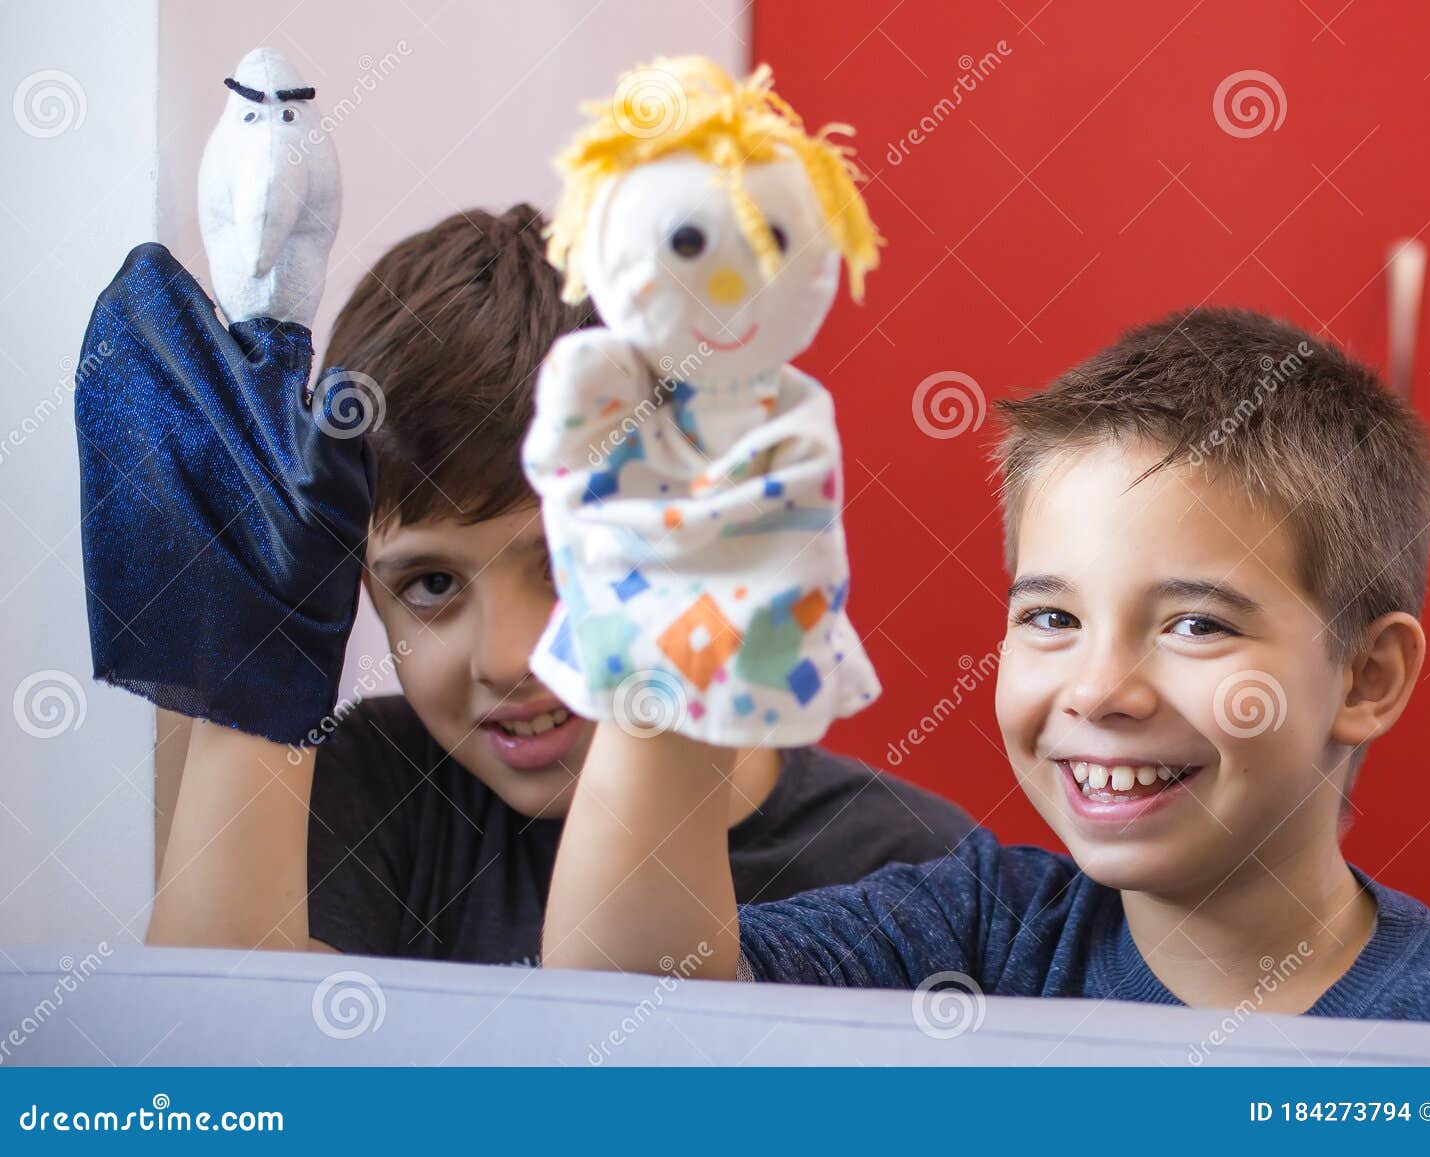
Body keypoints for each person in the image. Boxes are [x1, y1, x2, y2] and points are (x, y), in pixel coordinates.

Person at [540, 307, 1430, 1025]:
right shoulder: (972, 934)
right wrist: (671, 637)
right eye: (1053, 616)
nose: (1097, 690)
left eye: (1195, 625)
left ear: (1366, 677)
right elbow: (637, 1013)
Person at [75, 206, 974, 964]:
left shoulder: (919, 870)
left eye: (566, 564)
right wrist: (251, 659)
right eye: (430, 583)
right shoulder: (368, 788)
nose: (510, 657)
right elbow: (210, 1072)